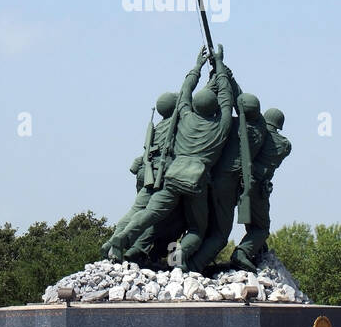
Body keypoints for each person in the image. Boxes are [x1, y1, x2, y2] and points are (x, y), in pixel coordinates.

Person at [115, 46, 234, 265]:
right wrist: (220, 67)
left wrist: (197, 66)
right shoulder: (221, 127)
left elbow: (186, 91)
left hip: (172, 176)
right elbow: (227, 99)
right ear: (215, 108)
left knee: (150, 213)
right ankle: (176, 262)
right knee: (197, 229)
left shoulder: (184, 117)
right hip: (196, 182)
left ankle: (123, 237)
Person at [187, 91, 266, 275]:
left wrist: (222, 76)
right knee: (220, 235)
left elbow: (228, 105)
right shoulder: (258, 131)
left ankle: (186, 264)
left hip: (207, 180)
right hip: (227, 185)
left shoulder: (228, 126)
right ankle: (193, 267)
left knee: (204, 229)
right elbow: (246, 107)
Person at [100, 89, 180, 261]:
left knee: (135, 210)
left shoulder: (158, 127)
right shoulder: (176, 124)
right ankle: (123, 240)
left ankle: (111, 242)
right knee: (153, 212)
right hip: (162, 173)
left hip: (148, 172)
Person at [231, 105, 290, 270]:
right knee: (261, 228)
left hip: (237, 183)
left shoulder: (253, 134)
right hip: (257, 188)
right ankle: (242, 252)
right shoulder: (284, 144)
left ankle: (256, 249)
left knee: (249, 222)